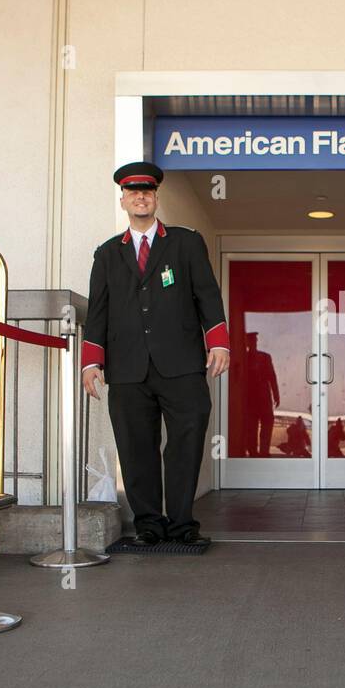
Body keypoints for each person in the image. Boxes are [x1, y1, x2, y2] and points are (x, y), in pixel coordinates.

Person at [81, 160, 230, 545]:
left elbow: (207, 296)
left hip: (181, 365)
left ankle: (182, 525)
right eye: (133, 192)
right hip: (128, 368)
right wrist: (91, 361)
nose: (141, 197)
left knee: (186, 444)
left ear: (156, 198)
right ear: (123, 201)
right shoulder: (108, 254)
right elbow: (97, 310)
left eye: (147, 191)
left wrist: (218, 341)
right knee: (135, 449)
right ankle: (148, 524)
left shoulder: (186, 242)